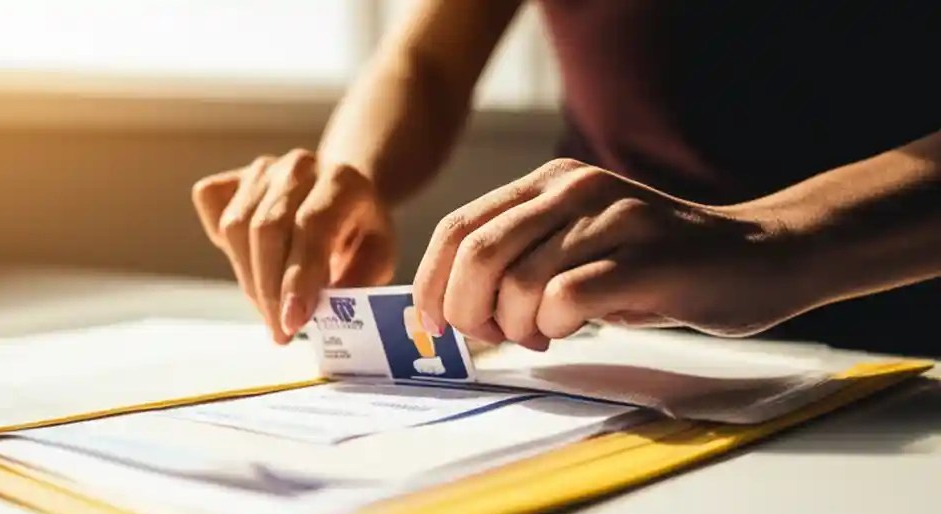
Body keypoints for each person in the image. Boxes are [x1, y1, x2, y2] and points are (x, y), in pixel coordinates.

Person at [191, 0, 941, 357]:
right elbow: (427, 60)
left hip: (906, 347)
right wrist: (348, 173)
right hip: (592, 343)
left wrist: (771, 241)